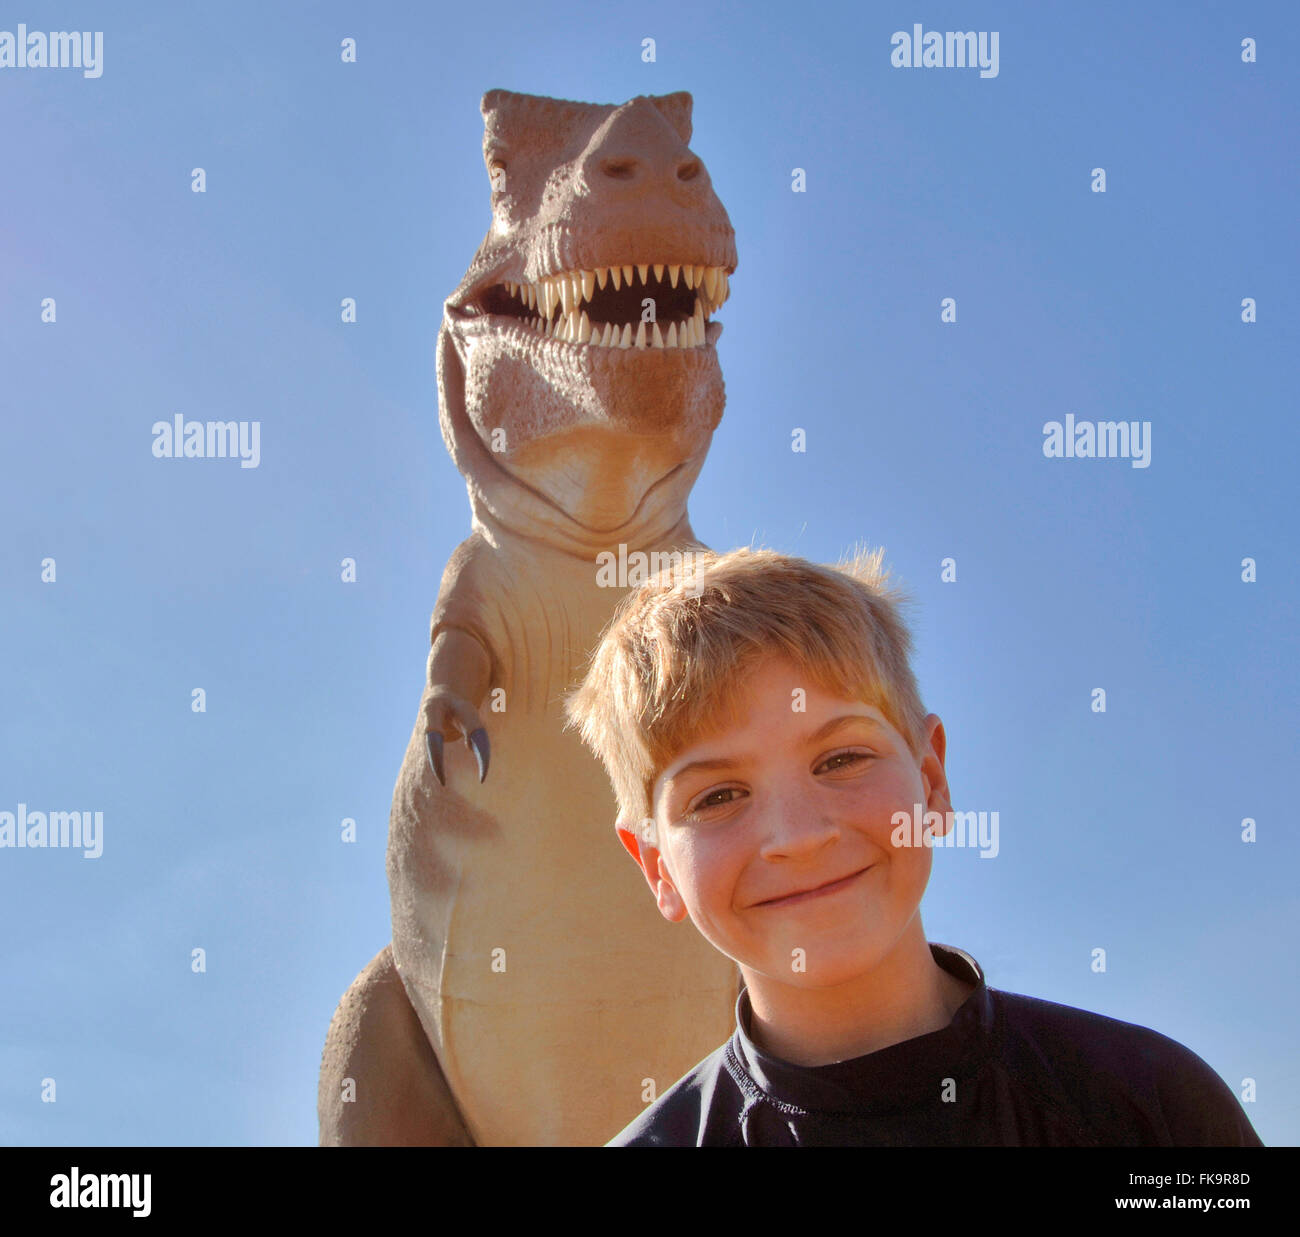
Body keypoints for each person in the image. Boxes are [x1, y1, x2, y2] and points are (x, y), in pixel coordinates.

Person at [562, 545, 1264, 1147]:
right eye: (717, 796)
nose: (800, 836)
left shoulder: (1154, 1108)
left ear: (931, 780)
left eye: (841, 758)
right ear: (657, 865)